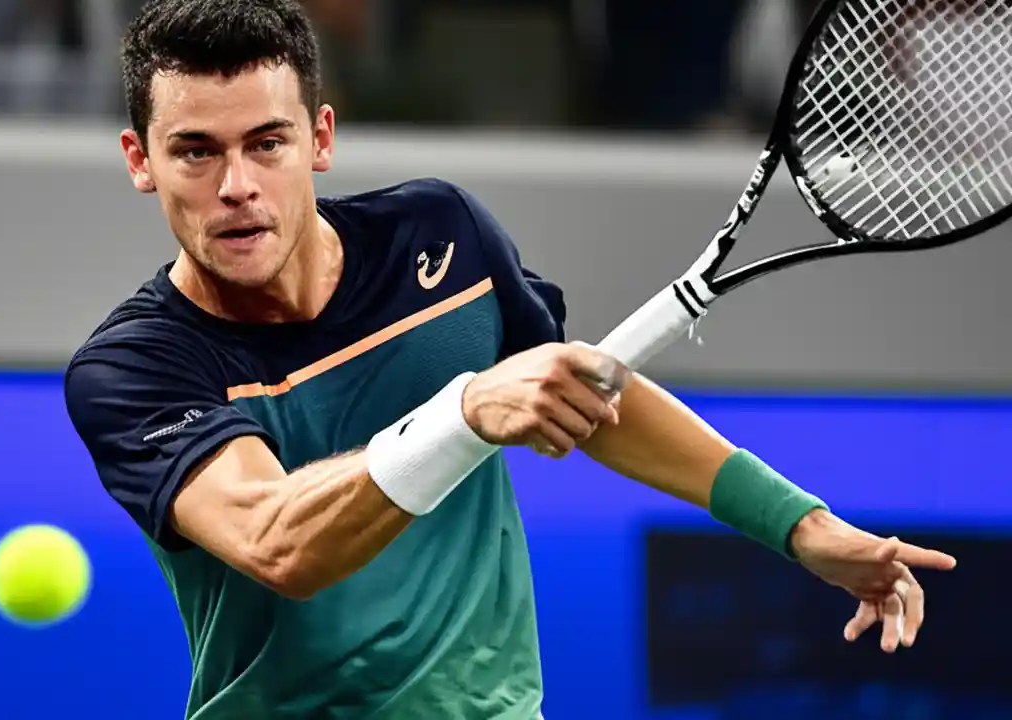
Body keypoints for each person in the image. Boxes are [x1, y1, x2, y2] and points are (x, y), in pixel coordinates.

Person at [62, 1, 957, 717]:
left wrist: (798, 525)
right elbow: (276, 540)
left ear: (320, 140)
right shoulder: (133, 367)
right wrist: (460, 414)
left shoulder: (440, 235)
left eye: (267, 143)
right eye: (195, 152)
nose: (237, 187)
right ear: (140, 160)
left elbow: (590, 398)